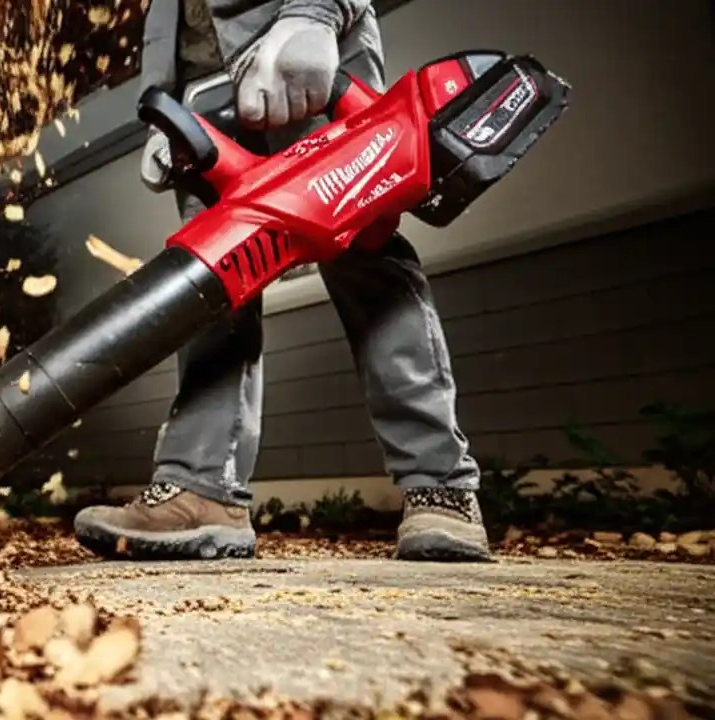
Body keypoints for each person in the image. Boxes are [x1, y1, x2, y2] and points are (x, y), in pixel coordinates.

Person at [72, 0, 490, 562]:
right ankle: (200, 489)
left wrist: (317, 12)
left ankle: (442, 487)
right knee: (207, 279)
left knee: (363, 250)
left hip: (300, 50)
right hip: (205, 93)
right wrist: (163, 102)